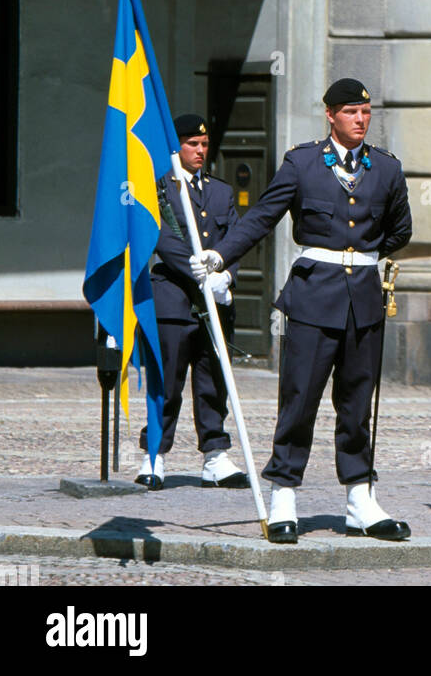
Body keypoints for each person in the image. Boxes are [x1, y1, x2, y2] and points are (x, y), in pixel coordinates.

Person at [190, 79, 412, 544]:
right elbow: (261, 218)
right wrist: (221, 256)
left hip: (364, 301)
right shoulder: (303, 162)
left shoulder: (387, 168)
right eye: (351, 111)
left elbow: (400, 230)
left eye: (366, 112)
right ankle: (284, 495)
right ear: (329, 115)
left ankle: (359, 499)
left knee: (357, 405)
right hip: (314, 298)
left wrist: (363, 258)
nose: (360, 119)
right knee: (299, 400)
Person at [135, 114, 248, 491]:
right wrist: (197, 271)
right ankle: (155, 453)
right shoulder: (160, 189)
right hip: (174, 299)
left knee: (212, 380)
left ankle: (215, 456)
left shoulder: (220, 191)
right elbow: (162, 240)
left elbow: (236, 238)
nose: (200, 151)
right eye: (192, 144)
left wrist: (225, 276)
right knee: (167, 381)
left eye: (204, 144)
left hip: (214, 300)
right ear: (177, 147)